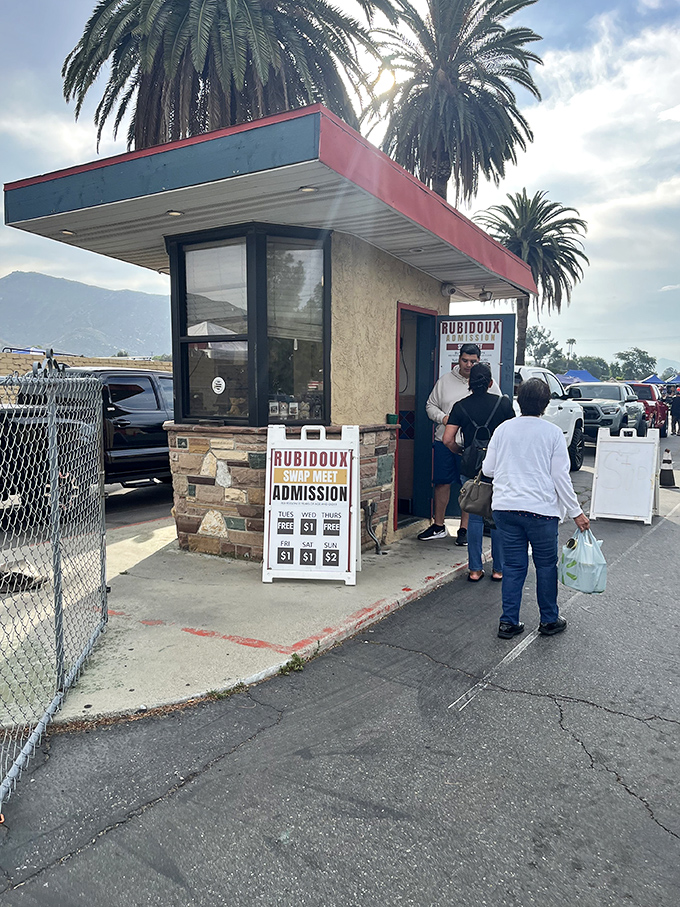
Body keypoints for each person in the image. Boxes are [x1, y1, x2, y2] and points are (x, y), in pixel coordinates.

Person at [483, 378, 590, 639]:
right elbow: (560, 477)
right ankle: (549, 619)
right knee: (545, 566)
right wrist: (576, 512)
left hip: (506, 508)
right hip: (541, 511)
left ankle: (508, 622)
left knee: (513, 566)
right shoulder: (552, 433)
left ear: (519, 400)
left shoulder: (503, 429)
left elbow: (488, 469)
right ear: (546, 403)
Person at [418, 344, 501, 545]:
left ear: (479, 361)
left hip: (472, 446)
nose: (469, 365)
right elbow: (430, 405)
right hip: (445, 441)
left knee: (470, 487)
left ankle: (464, 529)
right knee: (442, 482)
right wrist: (444, 418)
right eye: (465, 360)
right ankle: (438, 525)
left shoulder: (488, 383)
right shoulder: (445, 380)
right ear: (459, 359)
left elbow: (497, 406)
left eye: (473, 361)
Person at [442, 363, 515, 582]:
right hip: (499, 468)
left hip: (471, 468)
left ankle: (474, 569)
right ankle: (499, 569)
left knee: (474, 517)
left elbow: (447, 439)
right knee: (498, 517)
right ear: (491, 383)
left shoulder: (460, 406)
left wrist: (462, 451)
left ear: (469, 383)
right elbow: (513, 435)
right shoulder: (503, 404)